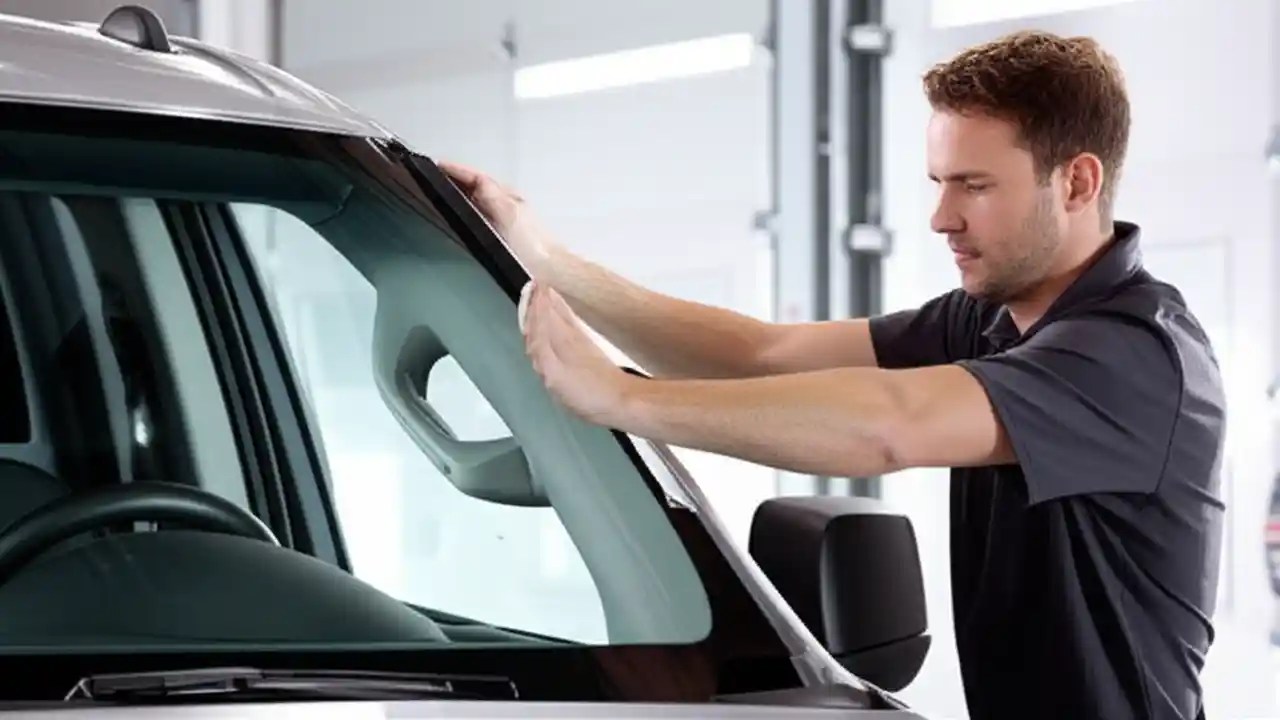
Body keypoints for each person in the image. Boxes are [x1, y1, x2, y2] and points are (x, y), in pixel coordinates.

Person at [441, 29, 1225, 720]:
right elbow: (760, 355)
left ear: (1079, 183)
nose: (941, 217)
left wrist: (620, 398)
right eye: (939, 182)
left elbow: (891, 425)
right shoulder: (990, 319)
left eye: (974, 186)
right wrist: (542, 256)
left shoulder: (1135, 355)